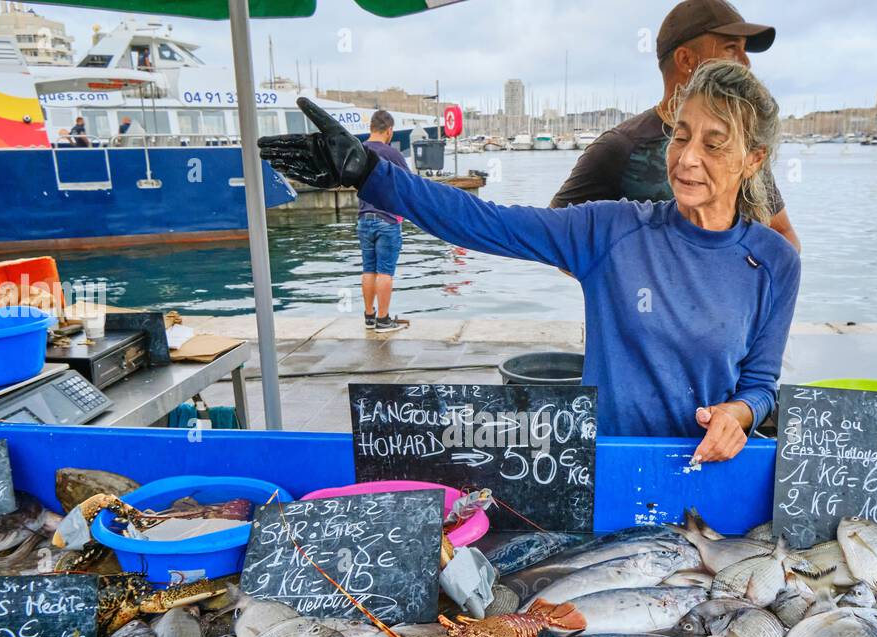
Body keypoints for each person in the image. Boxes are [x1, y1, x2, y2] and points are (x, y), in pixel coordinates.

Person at [261, 62, 800, 463]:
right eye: (681, 135)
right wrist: (370, 173)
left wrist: (739, 415)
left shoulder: (775, 261)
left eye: (713, 144)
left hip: (712, 469)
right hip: (604, 464)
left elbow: (759, 381)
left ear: (753, 159)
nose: (686, 158)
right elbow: (486, 221)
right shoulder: (613, 229)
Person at [552, 0, 800, 253]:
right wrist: (622, 278)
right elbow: (557, 236)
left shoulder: (742, 144)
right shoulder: (621, 147)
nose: (745, 62)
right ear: (686, 59)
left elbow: (783, 235)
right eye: (731, 48)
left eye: (713, 145)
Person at [356, 110, 411, 333]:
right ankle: (383, 320)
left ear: (371, 129)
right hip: (387, 219)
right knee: (385, 272)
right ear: (389, 131)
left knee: (368, 269)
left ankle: (369, 316)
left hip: (363, 218)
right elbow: (410, 184)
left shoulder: (359, 151)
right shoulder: (392, 154)